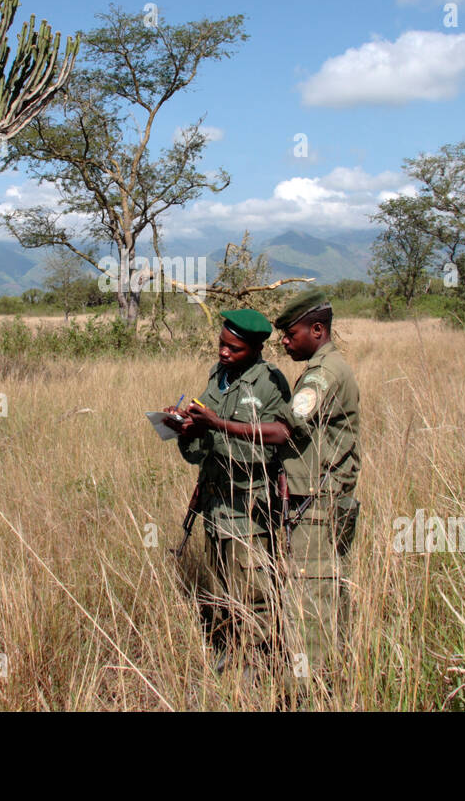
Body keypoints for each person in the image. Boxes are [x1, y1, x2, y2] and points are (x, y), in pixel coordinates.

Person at [167, 308, 291, 671]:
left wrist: (215, 428)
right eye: (221, 344)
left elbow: (274, 445)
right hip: (215, 502)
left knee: (255, 593)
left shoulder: (271, 384)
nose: (223, 353)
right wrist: (186, 428)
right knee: (223, 587)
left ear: (255, 349)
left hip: (248, 508)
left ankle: (260, 664)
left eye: (233, 349)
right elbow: (205, 439)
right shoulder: (217, 376)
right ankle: (231, 652)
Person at [269, 289, 361, 686]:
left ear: (318, 329)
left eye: (291, 334)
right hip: (320, 501)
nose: (285, 342)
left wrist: (218, 425)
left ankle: (303, 691)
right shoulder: (326, 367)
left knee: (308, 606)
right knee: (321, 598)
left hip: (318, 506)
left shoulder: (323, 374)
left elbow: (289, 426)